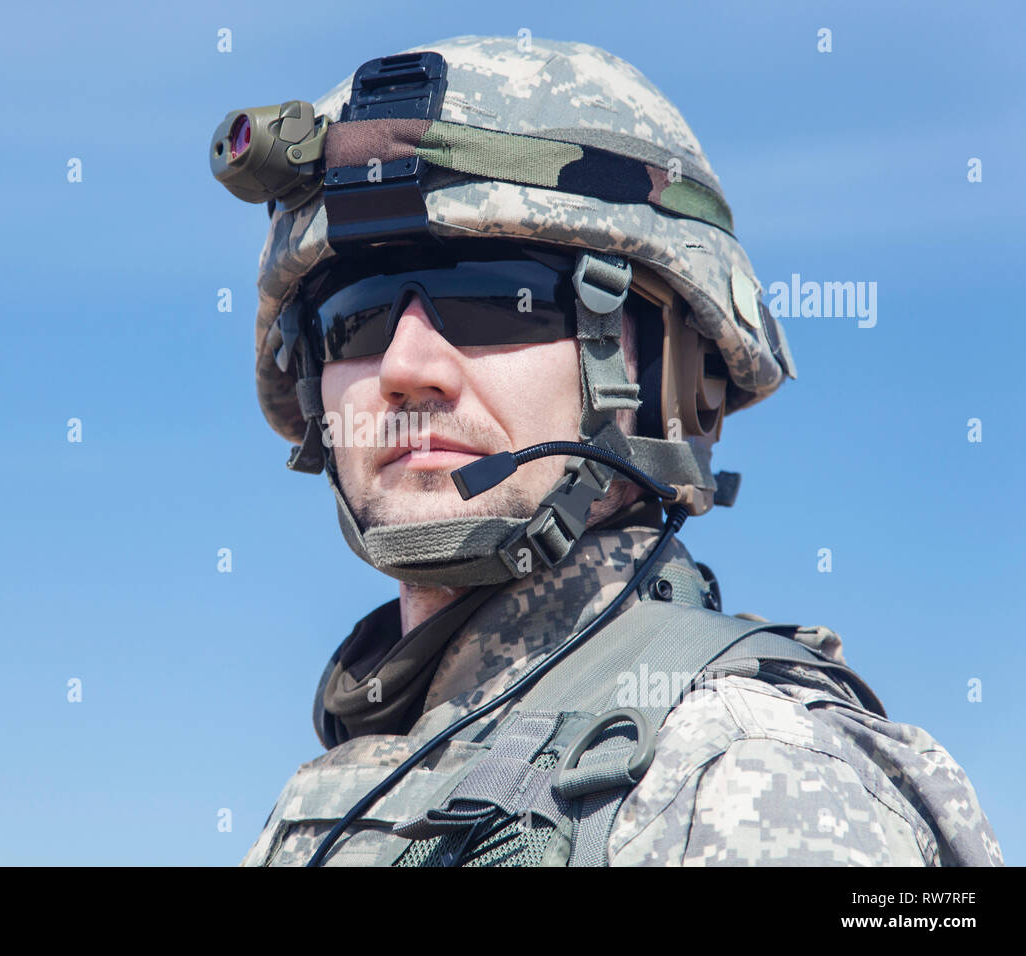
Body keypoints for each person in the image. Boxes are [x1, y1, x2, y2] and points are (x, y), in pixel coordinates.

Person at [210, 35, 1002, 866]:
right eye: (356, 319)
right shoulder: (347, 788)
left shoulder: (743, 772)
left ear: (669, 370)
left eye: (493, 301)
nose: (406, 369)